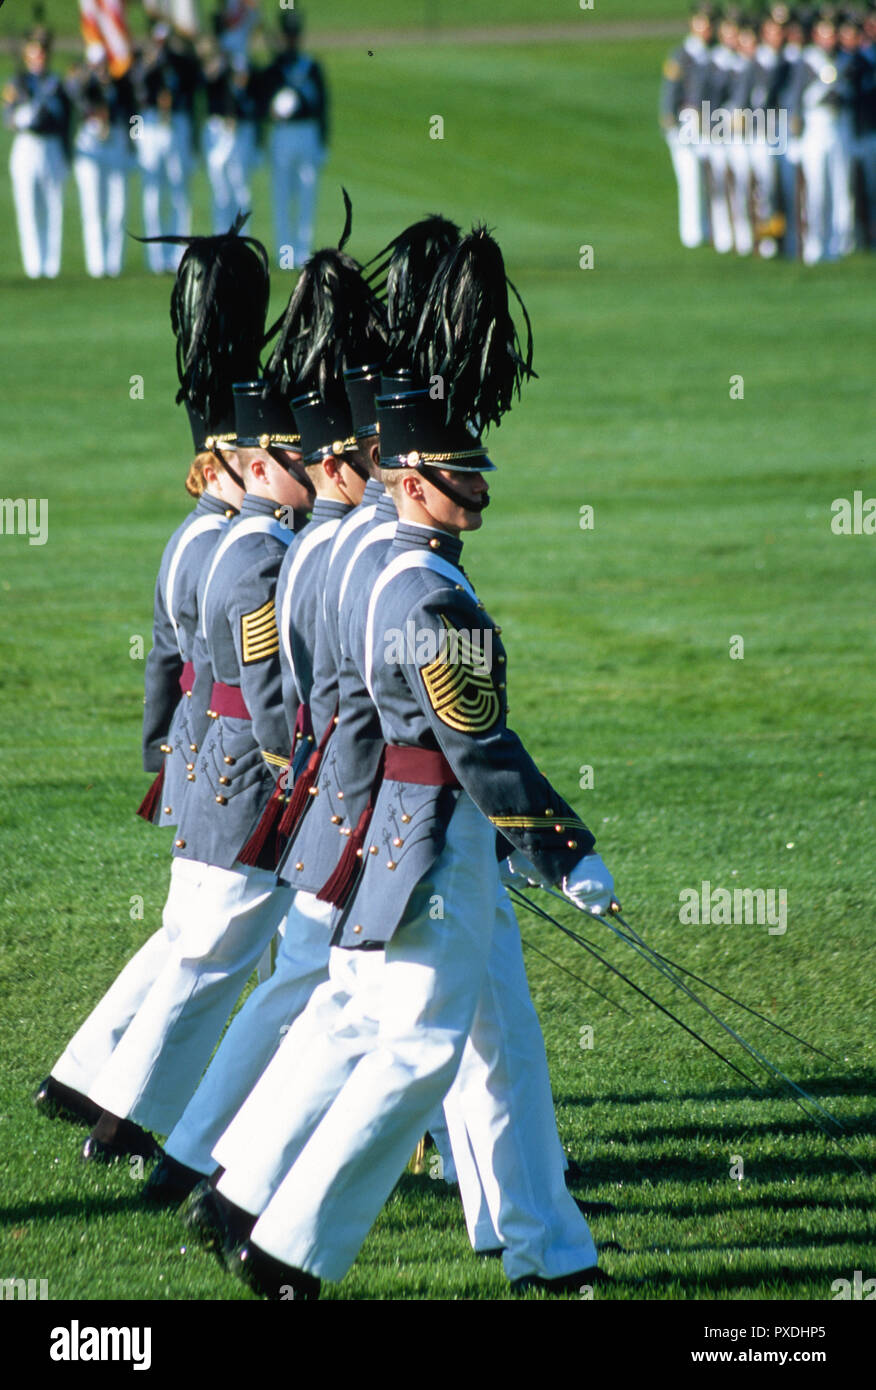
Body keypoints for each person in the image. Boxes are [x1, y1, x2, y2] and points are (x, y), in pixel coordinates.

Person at [195, 228, 615, 1299]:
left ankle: (547, 1249)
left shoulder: (349, 551)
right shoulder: (427, 594)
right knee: (417, 1046)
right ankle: (289, 1243)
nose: (475, 497)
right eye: (457, 481)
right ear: (411, 481)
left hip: (370, 818)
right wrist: (560, 847)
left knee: (470, 1034)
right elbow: (475, 740)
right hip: (426, 834)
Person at [35, 222, 272, 1152]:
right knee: (214, 947)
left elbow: (163, 667)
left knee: (187, 937)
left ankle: (86, 1073)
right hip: (244, 759)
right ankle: (127, 1113)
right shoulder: (248, 551)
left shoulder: (194, 538)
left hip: (199, 751)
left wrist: (162, 754)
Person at [259, 11, 329, 268]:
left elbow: (322, 106)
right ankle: (285, 252)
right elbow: (262, 100)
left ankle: (303, 251)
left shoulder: (311, 67)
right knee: (282, 194)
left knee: (307, 193)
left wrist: (322, 141)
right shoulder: (275, 68)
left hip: (307, 132)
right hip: (283, 134)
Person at [3, 23, 71, 279]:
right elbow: (8, 117)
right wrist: (23, 115)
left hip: (51, 146)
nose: (39, 58)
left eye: (42, 53)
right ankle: (34, 268)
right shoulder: (18, 83)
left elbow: (66, 120)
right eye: (34, 53)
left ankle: (51, 268)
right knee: (28, 210)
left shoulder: (57, 83)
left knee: (53, 209)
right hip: (27, 146)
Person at [132, 24, 200, 273]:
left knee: (179, 190)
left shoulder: (181, 62)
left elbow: (194, 88)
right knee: (153, 193)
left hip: (177, 122)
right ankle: (156, 257)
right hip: (149, 124)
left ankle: (179, 253)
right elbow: (135, 88)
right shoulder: (142, 63)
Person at [66, 46, 135, 278]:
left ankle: (115, 265)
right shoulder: (84, 84)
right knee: (93, 206)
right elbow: (73, 96)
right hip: (89, 140)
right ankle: (97, 266)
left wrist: (135, 141)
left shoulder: (121, 85)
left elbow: (135, 115)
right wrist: (86, 76)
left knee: (119, 206)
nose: (101, 68)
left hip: (116, 141)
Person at [660, 4, 716, 248]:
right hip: (686, 123)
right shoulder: (682, 54)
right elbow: (670, 91)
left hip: (711, 124)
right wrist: (669, 122)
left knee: (709, 177)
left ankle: (708, 229)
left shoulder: (712, 53)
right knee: (690, 177)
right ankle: (692, 234)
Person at [201, 31, 260, 236]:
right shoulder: (217, 76)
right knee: (221, 191)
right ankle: (221, 236)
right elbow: (207, 76)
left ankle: (242, 236)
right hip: (220, 133)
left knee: (240, 189)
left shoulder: (249, 90)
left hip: (241, 135)